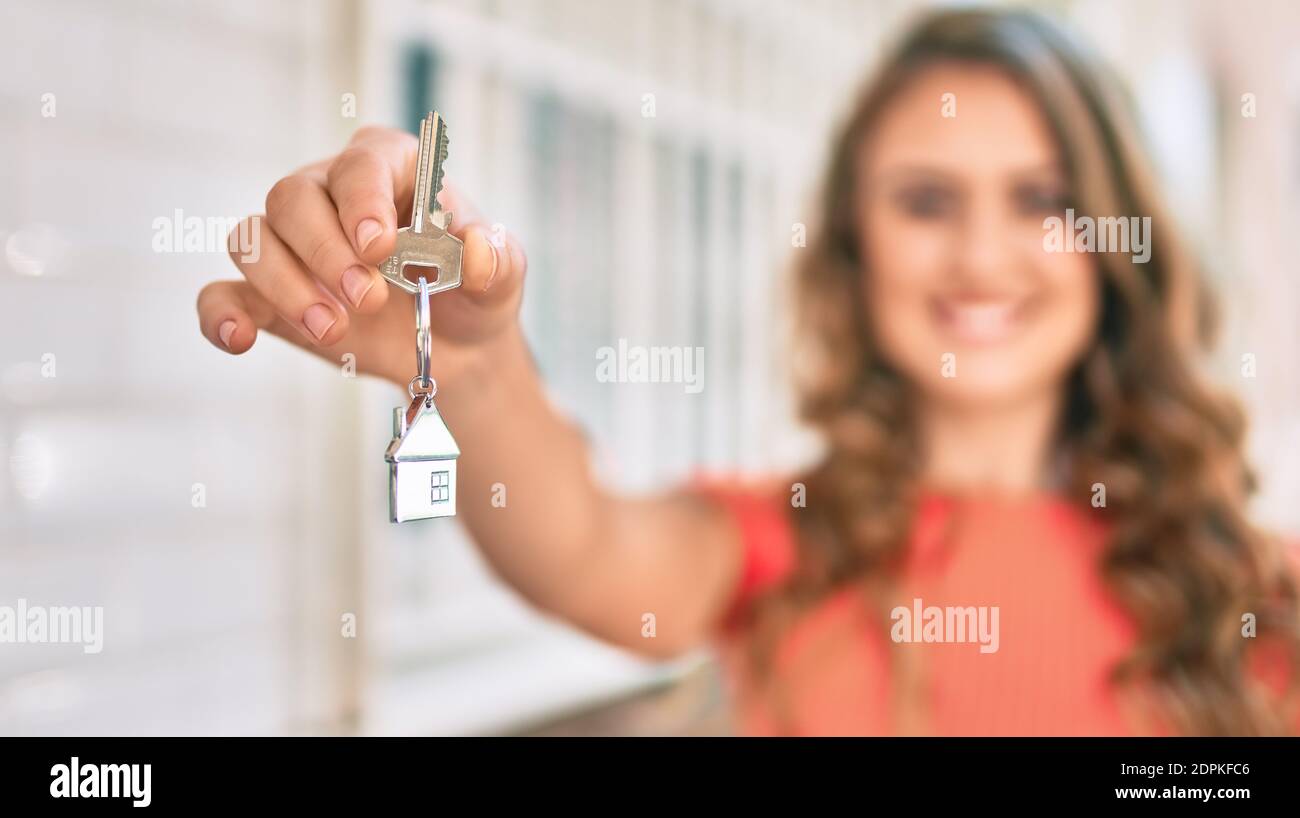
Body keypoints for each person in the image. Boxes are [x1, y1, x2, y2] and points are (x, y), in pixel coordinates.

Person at [196, 8, 1299, 735]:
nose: (979, 253)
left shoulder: (1253, 594)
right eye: (925, 199)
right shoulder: (785, 543)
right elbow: (578, 544)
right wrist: (473, 364)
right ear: (855, 251)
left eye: (1040, 201)